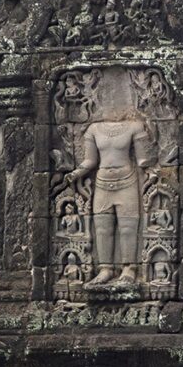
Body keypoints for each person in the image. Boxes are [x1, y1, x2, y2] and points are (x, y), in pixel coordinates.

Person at [66, 114, 156, 287]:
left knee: (127, 227)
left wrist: (151, 168)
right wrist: (75, 173)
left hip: (127, 180)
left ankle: (129, 268)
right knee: (102, 227)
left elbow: (142, 159)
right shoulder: (93, 129)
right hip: (102, 182)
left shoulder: (135, 126)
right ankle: (105, 269)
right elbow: (90, 160)